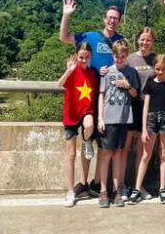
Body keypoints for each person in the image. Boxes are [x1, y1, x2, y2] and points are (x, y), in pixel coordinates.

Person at [58, 0, 124, 198]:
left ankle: (96, 183)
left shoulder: (121, 41)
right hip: (83, 98)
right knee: (87, 143)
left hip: (105, 100)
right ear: (104, 19)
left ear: (119, 21)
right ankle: (83, 182)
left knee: (101, 145)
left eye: (116, 18)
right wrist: (66, 15)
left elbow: (123, 65)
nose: (112, 21)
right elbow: (64, 37)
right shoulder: (91, 37)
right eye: (109, 17)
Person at [97, 40, 141, 208]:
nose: (120, 59)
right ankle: (103, 190)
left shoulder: (131, 72)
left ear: (127, 56)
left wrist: (128, 86)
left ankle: (116, 191)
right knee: (106, 154)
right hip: (109, 119)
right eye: (117, 56)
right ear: (113, 56)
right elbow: (101, 95)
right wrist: (100, 118)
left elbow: (135, 93)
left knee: (118, 155)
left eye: (123, 56)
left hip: (123, 119)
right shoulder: (107, 72)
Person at [131, 54, 165, 205]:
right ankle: (137, 189)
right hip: (151, 119)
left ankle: (162, 189)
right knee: (146, 155)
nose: (160, 71)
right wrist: (144, 129)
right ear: (154, 68)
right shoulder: (150, 83)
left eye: (163, 69)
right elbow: (146, 106)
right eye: (157, 69)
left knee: (164, 155)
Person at [57, 44, 98, 208]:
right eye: (81, 57)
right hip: (70, 115)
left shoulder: (92, 73)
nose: (83, 60)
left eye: (87, 57)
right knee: (71, 154)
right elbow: (59, 84)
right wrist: (69, 70)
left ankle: (87, 141)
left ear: (90, 57)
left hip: (86, 111)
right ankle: (70, 191)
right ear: (76, 56)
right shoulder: (73, 71)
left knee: (89, 125)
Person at [126, 27, 156, 200]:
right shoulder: (130, 58)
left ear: (152, 42)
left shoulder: (155, 58)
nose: (145, 43)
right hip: (131, 106)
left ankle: (139, 186)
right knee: (125, 147)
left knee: (142, 150)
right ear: (137, 40)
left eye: (148, 40)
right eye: (142, 39)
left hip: (150, 107)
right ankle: (122, 186)